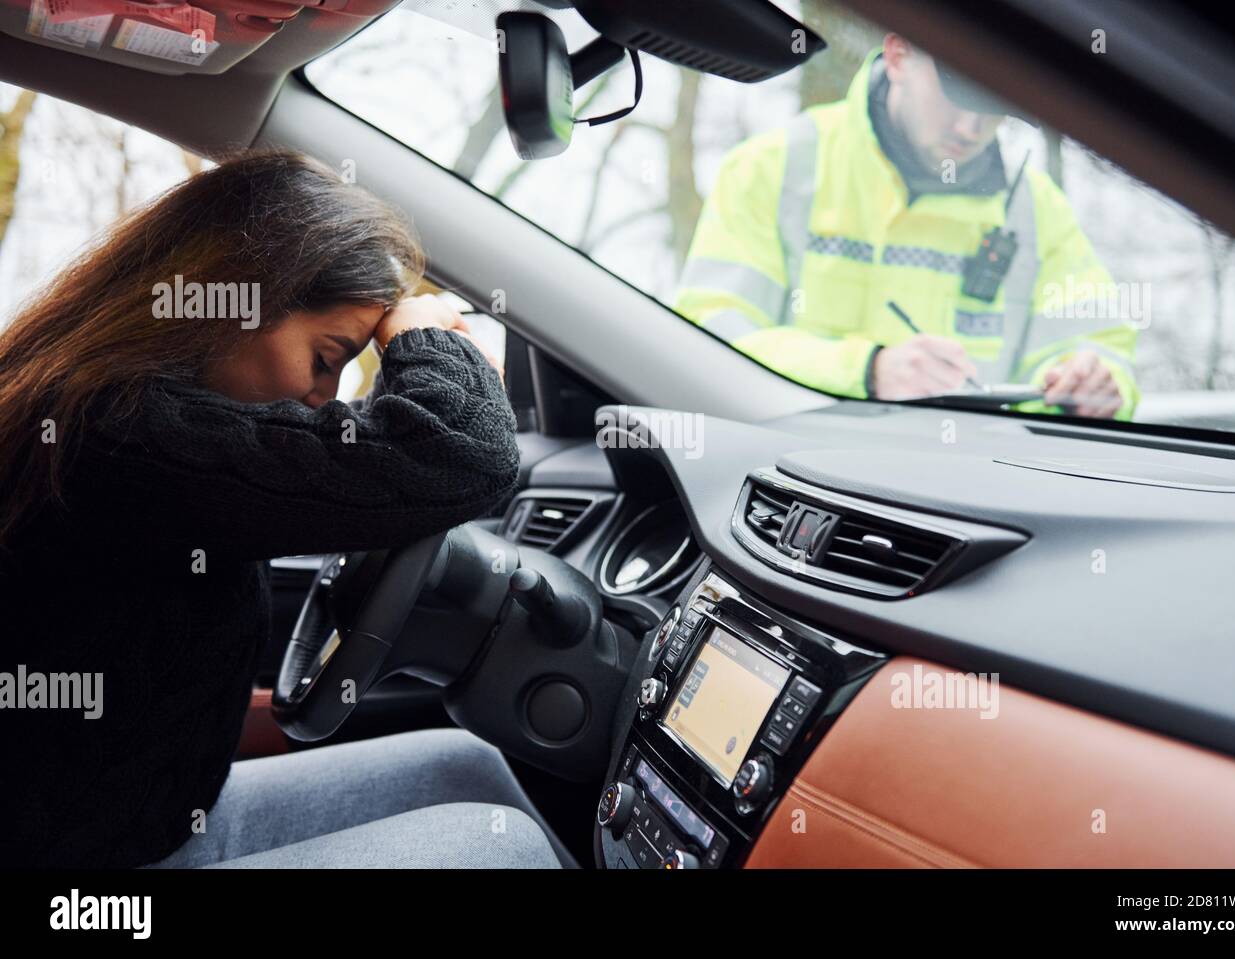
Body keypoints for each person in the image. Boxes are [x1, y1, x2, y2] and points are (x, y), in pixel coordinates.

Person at [0, 150, 566, 868]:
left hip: (158, 829)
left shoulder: (136, 411)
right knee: (502, 852)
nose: (324, 399)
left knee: (462, 766)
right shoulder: (119, 429)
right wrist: (424, 336)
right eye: (326, 358)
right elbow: (454, 456)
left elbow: (401, 458)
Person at [675, 33, 1138, 419]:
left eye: (994, 107)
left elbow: (1098, 347)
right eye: (957, 96)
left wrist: (1097, 382)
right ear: (898, 56)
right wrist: (867, 371)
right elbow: (709, 340)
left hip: (976, 497)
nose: (971, 127)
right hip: (795, 483)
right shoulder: (770, 168)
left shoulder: (1038, 211)